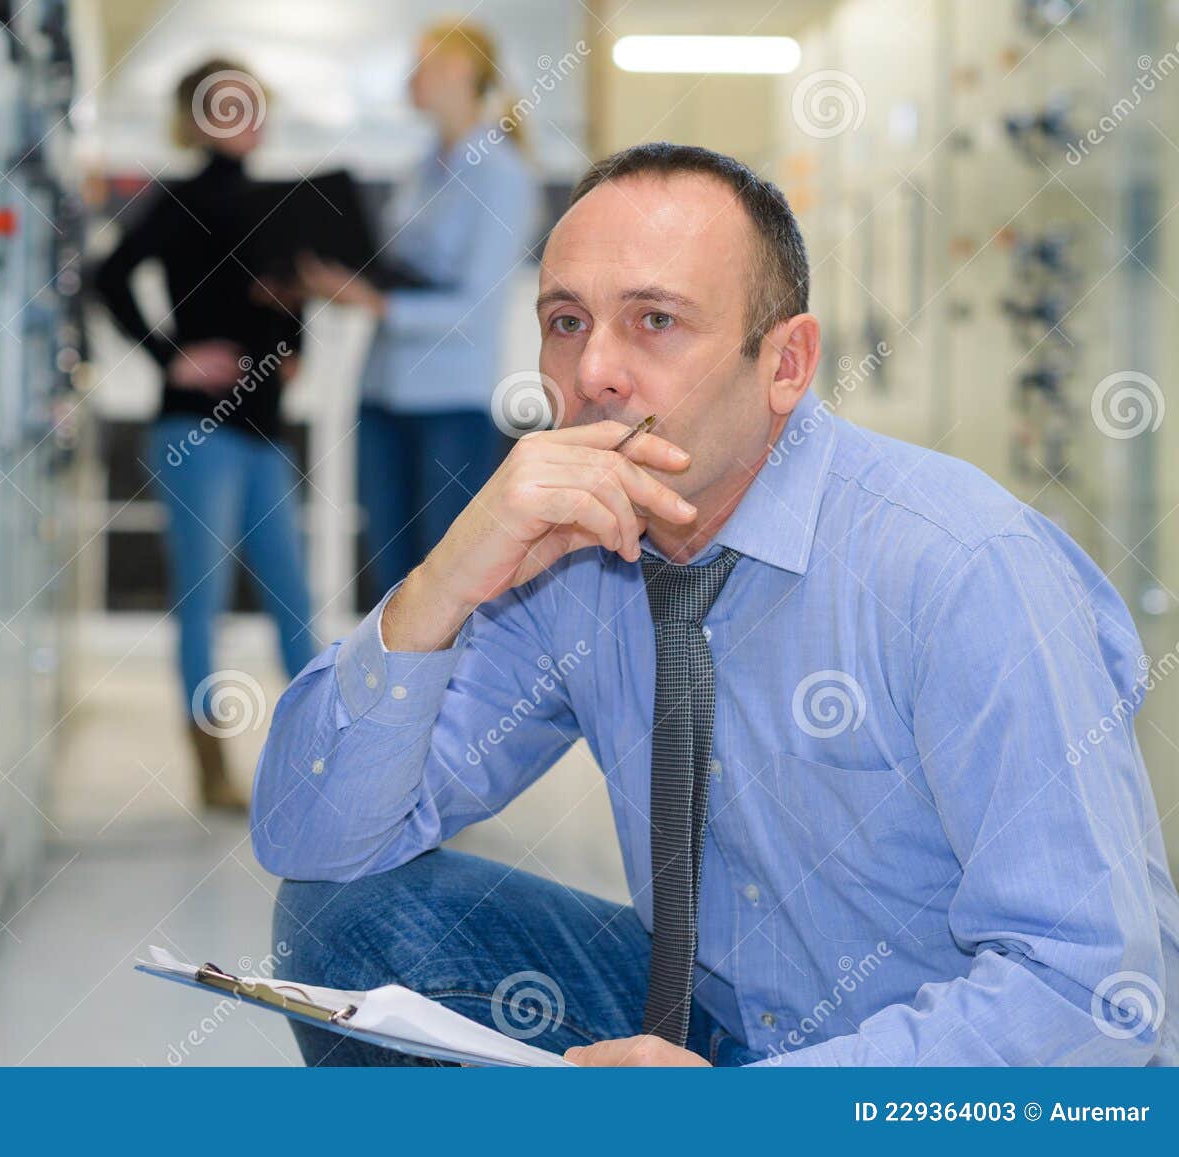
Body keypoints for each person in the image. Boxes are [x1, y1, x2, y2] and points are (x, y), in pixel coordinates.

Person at [251, 142, 1179, 1066]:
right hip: (716, 1025)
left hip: (924, 1078)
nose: (595, 372)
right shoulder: (570, 553)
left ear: (787, 363)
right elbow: (313, 833)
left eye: (655, 320)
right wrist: (445, 581)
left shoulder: (959, 565)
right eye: (565, 321)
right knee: (347, 919)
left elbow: (1089, 991)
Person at [93, 59, 317, 811]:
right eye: (224, 106)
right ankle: (211, 768)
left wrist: (294, 350)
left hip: (264, 431)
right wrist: (172, 356)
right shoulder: (179, 198)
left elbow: (288, 300)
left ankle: (323, 763)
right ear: (195, 119)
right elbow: (108, 275)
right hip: (197, 433)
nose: (242, 118)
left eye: (251, 104)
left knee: (295, 601)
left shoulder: (276, 202)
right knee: (204, 601)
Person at [297, 18, 536, 600]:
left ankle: (447, 695)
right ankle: (392, 693)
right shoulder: (421, 169)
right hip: (382, 392)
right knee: (389, 575)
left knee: (447, 578)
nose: (410, 78)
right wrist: (347, 282)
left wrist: (377, 304)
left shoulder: (504, 175)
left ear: (457, 72)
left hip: (450, 405)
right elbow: (396, 269)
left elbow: (474, 309)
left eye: (420, 63)